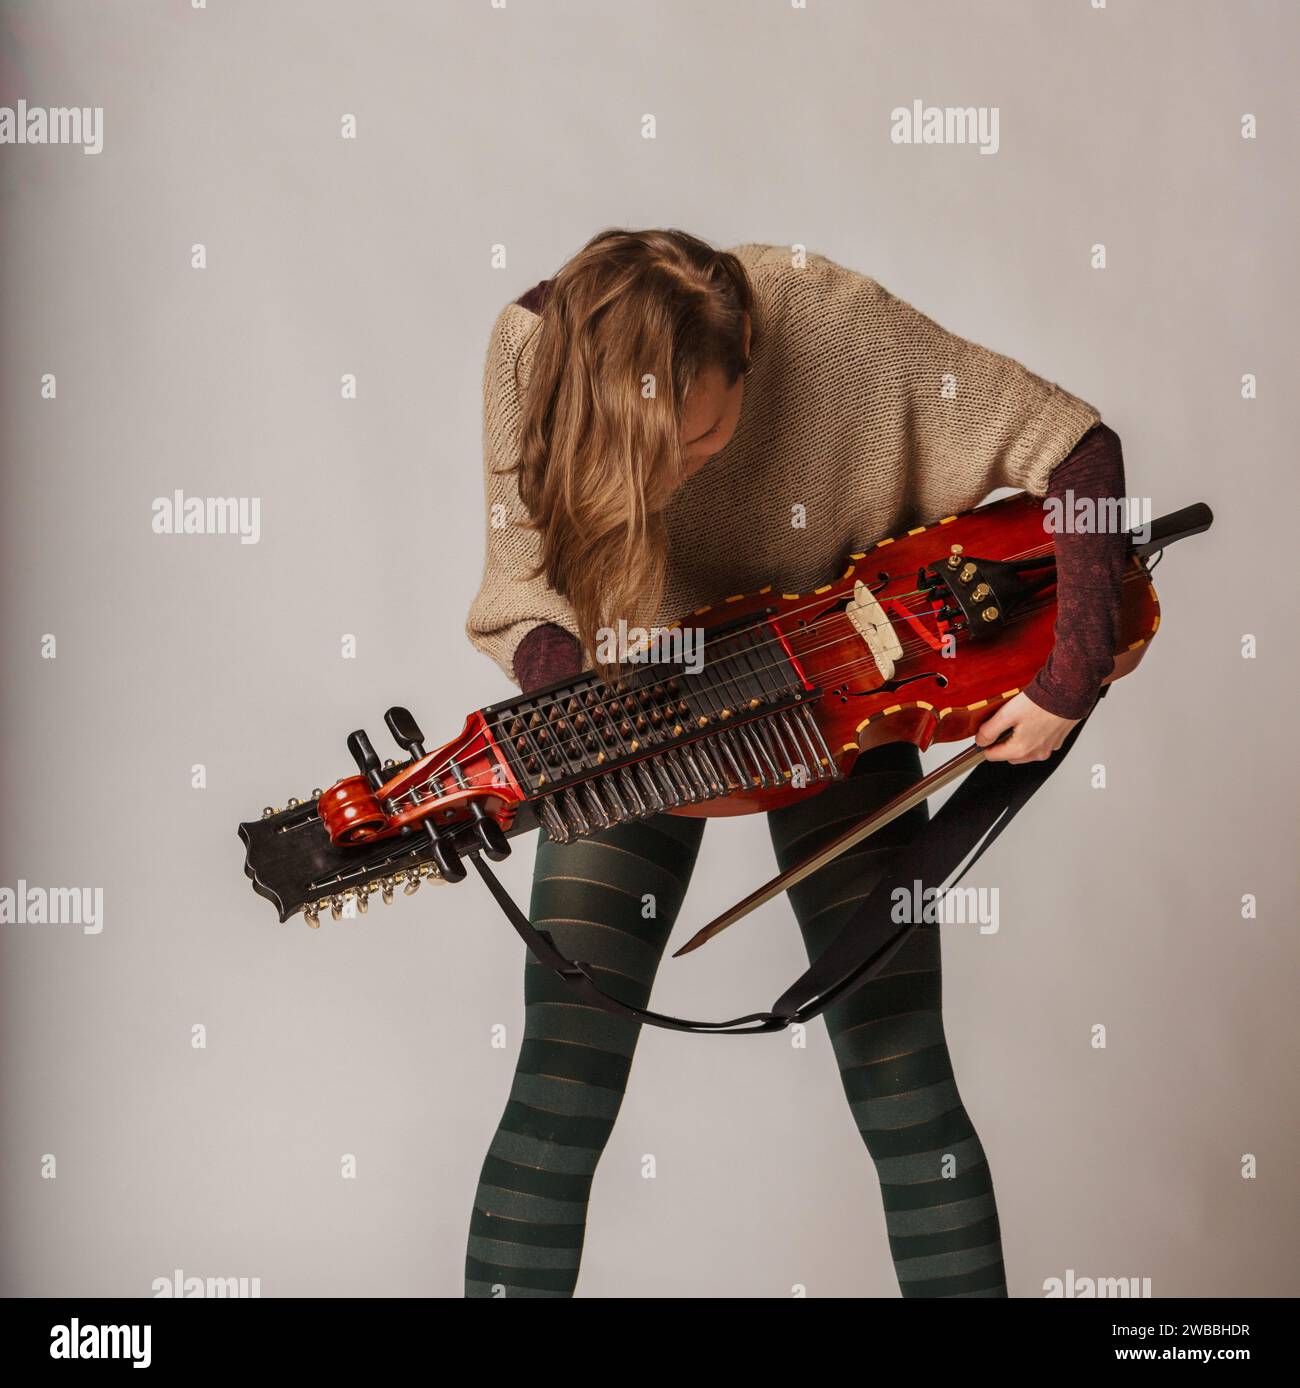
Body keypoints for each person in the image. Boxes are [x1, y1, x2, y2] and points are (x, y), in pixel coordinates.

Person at [462, 230, 1127, 1297]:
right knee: (561, 1082)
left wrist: (1067, 675)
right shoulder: (529, 351)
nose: (677, 474)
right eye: (651, 454)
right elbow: (526, 587)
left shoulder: (827, 319)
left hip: (834, 693)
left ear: (745, 359)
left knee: (902, 1073)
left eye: (703, 434)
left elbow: (1079, 450)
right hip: (638, 698)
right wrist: (581, 720)